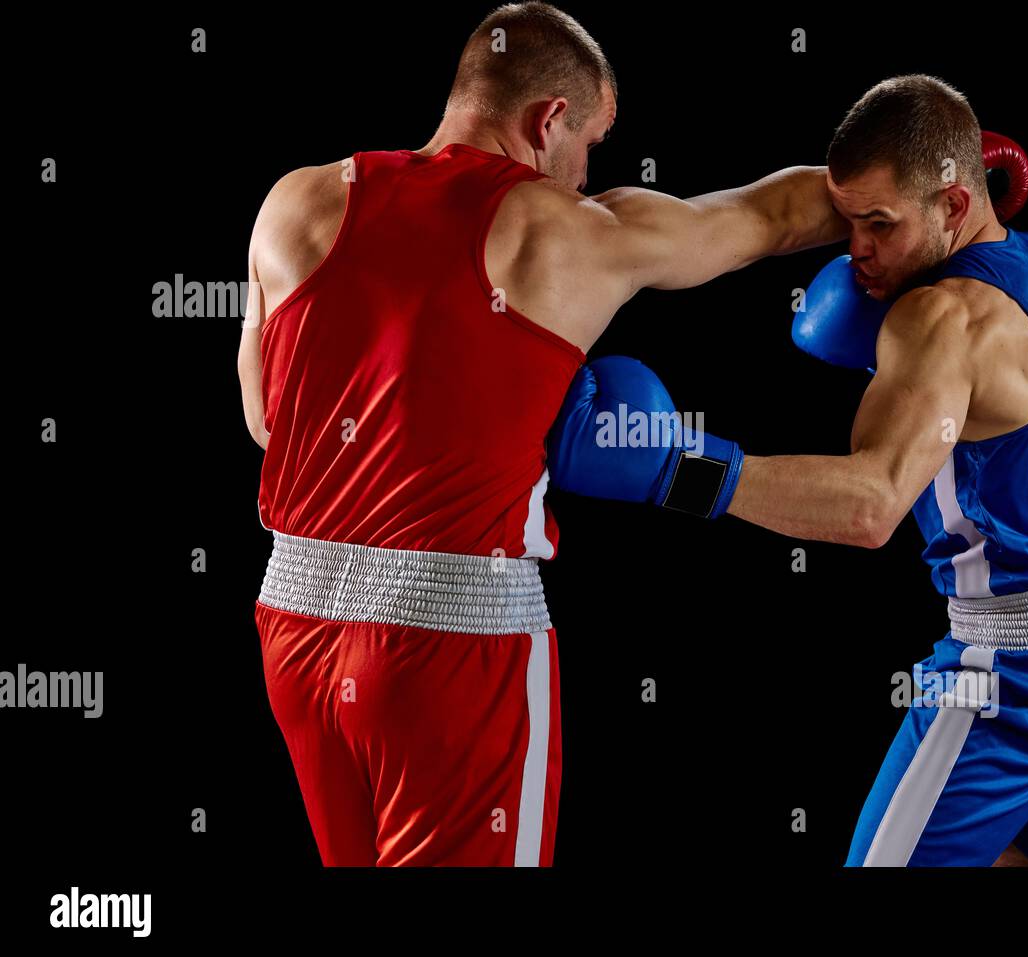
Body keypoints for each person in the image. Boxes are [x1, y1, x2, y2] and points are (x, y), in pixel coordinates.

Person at [236, 1, 845, 866]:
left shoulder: (295, 200)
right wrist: (921, 176)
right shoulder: (569, 233)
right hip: (454, 645)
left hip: (294, 632)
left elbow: (269, 421)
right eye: (591, 143)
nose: (588, 173)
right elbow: (765, 218)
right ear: (549, 118)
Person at [547, 74, 1028, 867]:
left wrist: (676, 469)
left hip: (1018, 678)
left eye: (880, 224)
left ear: (955, 205)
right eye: (847, 220)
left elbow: (871, 507)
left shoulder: (937, 321)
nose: (856, 248)